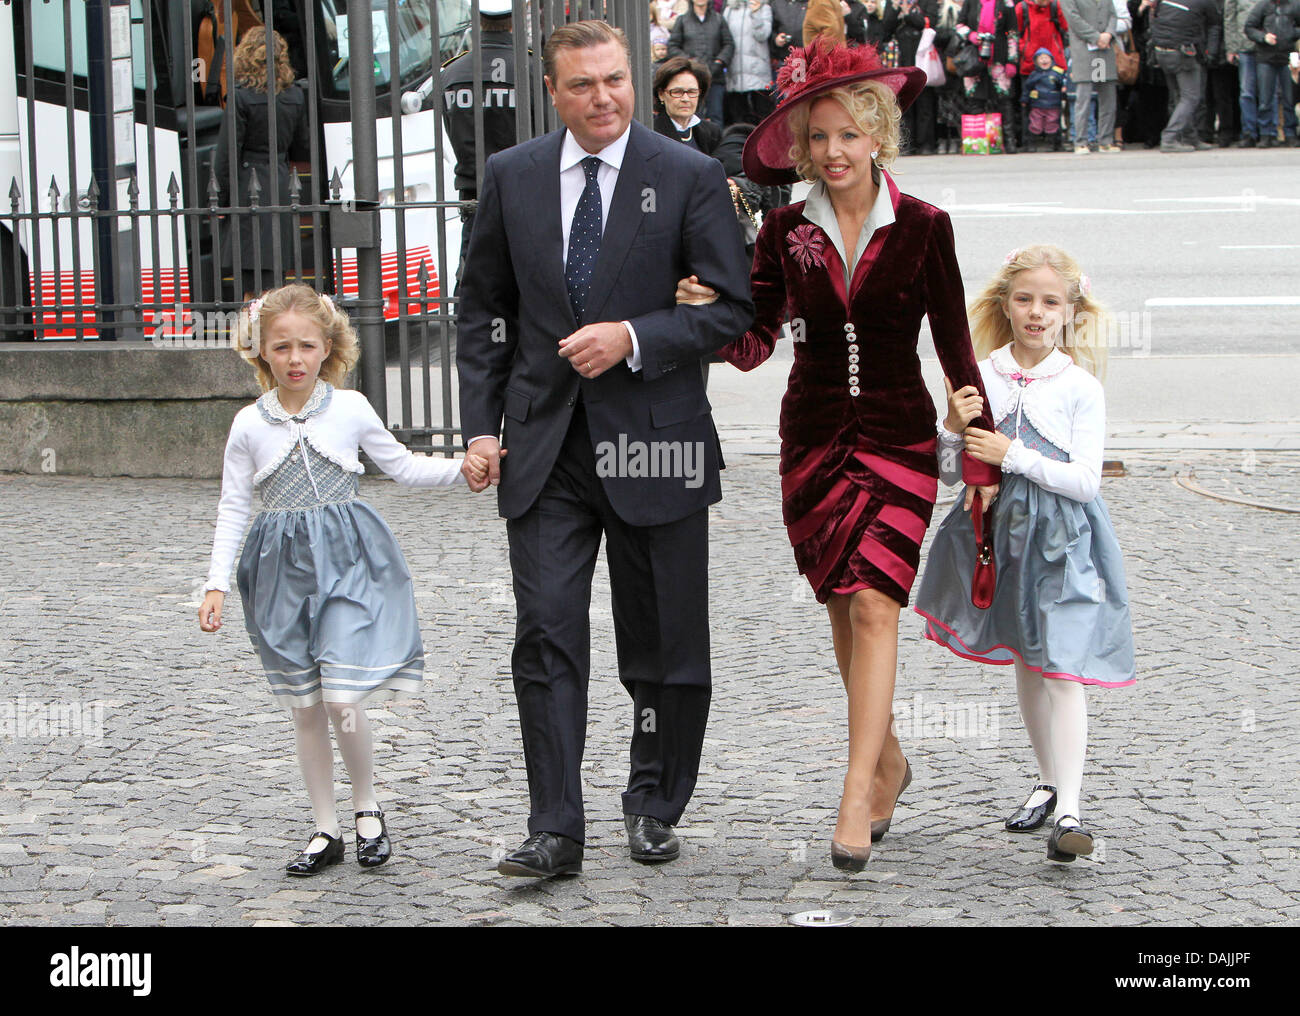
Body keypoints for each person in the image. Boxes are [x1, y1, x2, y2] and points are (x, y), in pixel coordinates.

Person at [678, 39, 1000, 871]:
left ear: (877, 134)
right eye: (817, 138)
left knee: (873, 606)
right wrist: (704, 311)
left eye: (848, 135)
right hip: (812, 443)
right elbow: (753, 342)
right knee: (838, 606)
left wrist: (983, 452)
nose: (833, 152)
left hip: (899, 438)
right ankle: (888, 758)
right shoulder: (784, 230)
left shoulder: (926, 226)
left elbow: (957, 346)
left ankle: (856, 793)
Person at [455, 20, 753, 879]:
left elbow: (729, 309)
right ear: (553, 92)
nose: (603, 98)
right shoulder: (511, 178)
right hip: (545, 447)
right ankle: (555, 826)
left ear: (638, 78)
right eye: (582, 85)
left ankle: (654, 801)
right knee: (546, 635)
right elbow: (482, 312)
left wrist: (632, 334)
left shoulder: (688, 175)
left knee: (664, 643)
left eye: (616, 80)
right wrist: (482, 426)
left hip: (657, 444)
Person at [198, 285, 485, 875]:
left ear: (327, 346)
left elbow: (400, 464)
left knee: (342, 696)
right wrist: (215, 584)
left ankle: (367, 807)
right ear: (262, 353)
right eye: (282, 347)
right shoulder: (249, 423)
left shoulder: (350, 407)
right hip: (279, 571)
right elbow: (233, 505)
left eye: (307, 345)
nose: (295, 358)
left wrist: (465, 470)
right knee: (305, 705)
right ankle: (324, 827)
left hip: (349, 562)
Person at [914, 245, 1136, 864]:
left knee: (1061, 665)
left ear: (1071, 312)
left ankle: (1070, 808)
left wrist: (1012, 456)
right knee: (1029, 661)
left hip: (1063, 542)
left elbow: (1085, 481)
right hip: (995, 538)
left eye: (1051, 302)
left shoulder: (1078, 387)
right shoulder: (979, 373)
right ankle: (1047, 781)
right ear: (1004, 304)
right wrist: (952, 429)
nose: (1037, 313)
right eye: (1024, 299)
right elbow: (952, 474)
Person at [215, 30, 311, 299]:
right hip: (280, 183)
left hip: (248, 188)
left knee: (250, 283)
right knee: (275, 278)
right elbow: (302, 144)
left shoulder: (241, 97)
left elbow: (226, 153)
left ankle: (252, 338)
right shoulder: (295, 96)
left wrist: (219, 198)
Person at [440, 0, 522, 291]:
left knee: (473, 269)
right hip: (524, 184)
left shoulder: (451, 73)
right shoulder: (531, 69)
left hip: (473, 186)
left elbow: (450, 130)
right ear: (516, 16)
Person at [1146, 0, 1223, 152]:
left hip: (1161, 50)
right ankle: (1169, 137)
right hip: (1183, 52)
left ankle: (1190, 137)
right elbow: (1215, 24)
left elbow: (1155, 19)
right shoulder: (1204, 3)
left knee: (1178, 97)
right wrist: (1210, 52)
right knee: (1191, 97)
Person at [956, 0, 1024, 152]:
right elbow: (959, 25)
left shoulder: (1006, 3)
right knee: (975, 99)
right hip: (974, 57)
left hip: (999, 56)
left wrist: (1012, 60)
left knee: (1004, 99)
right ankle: (977, 141)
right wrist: (972, 35)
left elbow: (1012, 33)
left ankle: (1009, 140)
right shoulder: (970, 2)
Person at [1059, 0, 1123, 152]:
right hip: (1085, 50)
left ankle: (1105, 140)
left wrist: (1108, 34)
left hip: (1103, 51)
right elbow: (1074, 19)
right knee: (1083, 98)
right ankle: (1080, 141)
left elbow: (1113, 15)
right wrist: (1096, 37)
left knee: (1107, 96)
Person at [668, 0, 737, 124]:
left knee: (716, 116)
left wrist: (719, 62)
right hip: (690, 79)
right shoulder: (683, 20)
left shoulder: (718, 19)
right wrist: (689, 62)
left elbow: (729, 44)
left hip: (715, 77)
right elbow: (673, 47)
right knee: (692, 117)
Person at [1245, 0, 1300, 146]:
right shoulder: (1262, 6)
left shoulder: (1295, 5)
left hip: (1287, 57)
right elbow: (1249, 28)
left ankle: (1290, 133)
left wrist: (1292, 33)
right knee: (1265, 98)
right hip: (1265, 57)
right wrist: (1263, 37)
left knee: (1289, 98)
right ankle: (1266, 133)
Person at [653, 56, 724, 153]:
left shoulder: (712, 133)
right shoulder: (652, 132)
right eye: (677, 92)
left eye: (692, 92)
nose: (685, 99)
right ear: (661, 94)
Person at [724, 0, 777, 127]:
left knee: (763, 119)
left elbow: (762, 35)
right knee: (739, 120)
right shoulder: (729, 9)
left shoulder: (764, 8)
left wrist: (756, 14)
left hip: (758, 73)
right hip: (735, 73)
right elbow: (724, 37)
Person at [1225, 0, 1261, 145]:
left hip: (1269, 47)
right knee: (1247, 92)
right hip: (1244, 47)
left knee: (1271, 93)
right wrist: (1231, 47)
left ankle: (1269, 132)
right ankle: (1249, 133)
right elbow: (1229, 19)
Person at [1023, 46, 1069, 148]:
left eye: (1046, 58)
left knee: (1052, 123)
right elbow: (1027, 88)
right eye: (1041, 58)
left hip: (1053, 103)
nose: (1044, 60)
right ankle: (1032, 142)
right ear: (1036, 61)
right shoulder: (1034, 75)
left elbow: (1063, 84)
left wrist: (1064, 89)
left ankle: (1051, 143)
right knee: (1035, 123)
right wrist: (1024, 99)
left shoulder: (1057, 73)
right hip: (1037, 104)